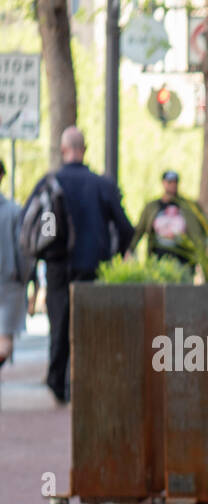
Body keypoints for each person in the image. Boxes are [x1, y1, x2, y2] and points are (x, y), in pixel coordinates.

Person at [25, 126, 133, 404]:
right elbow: (124, 226)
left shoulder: (50, 183)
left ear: (63, 150)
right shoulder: (101, 185)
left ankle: (57, 381)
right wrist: (120, 253)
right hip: (92, 266)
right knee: (87, 327)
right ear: (84, 150)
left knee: (59, 323)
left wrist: (43, 258)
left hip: (57, 266)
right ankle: (81, 382)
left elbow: (38, 226)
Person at [131, 169, 206, 263]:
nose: (173, 185)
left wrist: (202, 255)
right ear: (163, 183)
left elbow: (199, 231)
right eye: (169, 182)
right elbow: (140, 230)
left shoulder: (189, 206)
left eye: (175, 182)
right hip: (158, 255)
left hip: (183, 257)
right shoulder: (152, 207)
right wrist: (130, 249)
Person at [0, 158, 29, 372]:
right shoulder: (14, 211)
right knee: (5, 339)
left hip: (10, 282)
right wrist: (24, 278)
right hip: (9, 282)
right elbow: (24, 250)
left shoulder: (14, 211)